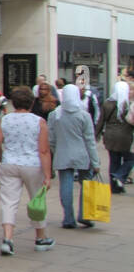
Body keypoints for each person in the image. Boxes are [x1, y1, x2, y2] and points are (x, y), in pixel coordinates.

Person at [0, 86, 54, 256]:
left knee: (8, 201)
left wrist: (0, 156)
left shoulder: (5, 120)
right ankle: (40, 238)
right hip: (32, 164)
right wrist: (48, 175)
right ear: (32, 102)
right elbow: (44, 150)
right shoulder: (39, 121)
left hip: (10, 163)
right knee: (37, 201)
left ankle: (7, 239)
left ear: (13, 102)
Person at [49, 83, 101, 229]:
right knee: (86, 183)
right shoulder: (84, 115)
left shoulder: (55, 115)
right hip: (82, 154)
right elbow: (90, 140)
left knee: (66, 185)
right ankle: (85, 215)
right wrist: (95, 162)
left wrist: (55, 150)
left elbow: (51, 139)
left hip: (63, 154)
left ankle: (68, 218)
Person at [97, 80, 132, 193]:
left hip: (110, 136)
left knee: (114, 161)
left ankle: (114, 187)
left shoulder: (107, 104)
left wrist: (95, 135)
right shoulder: (128, 105)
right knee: (130, 159)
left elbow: (101, 121)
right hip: (125, 137)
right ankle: (120, 176)